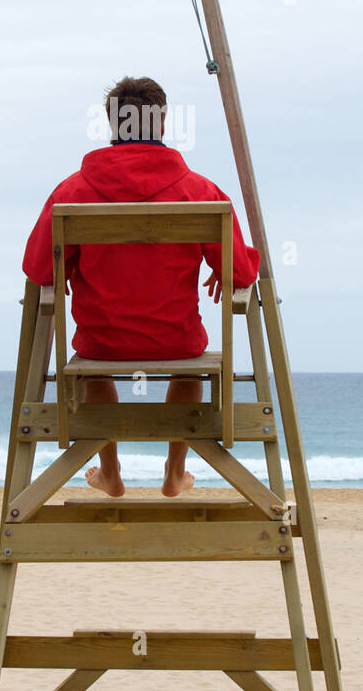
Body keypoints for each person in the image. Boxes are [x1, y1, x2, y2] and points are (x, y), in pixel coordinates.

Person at [22, 76, 260, 498]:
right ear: (163, 124)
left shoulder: (72, 192)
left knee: (92, 345)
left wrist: (73, 264)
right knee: (193, 349)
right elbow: (242, 275)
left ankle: (110, 471)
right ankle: (175, 469)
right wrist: (225, 270)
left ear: (113, 124)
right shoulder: (200, 192)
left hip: (101, 343)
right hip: (176, 341)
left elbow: (38, 270)